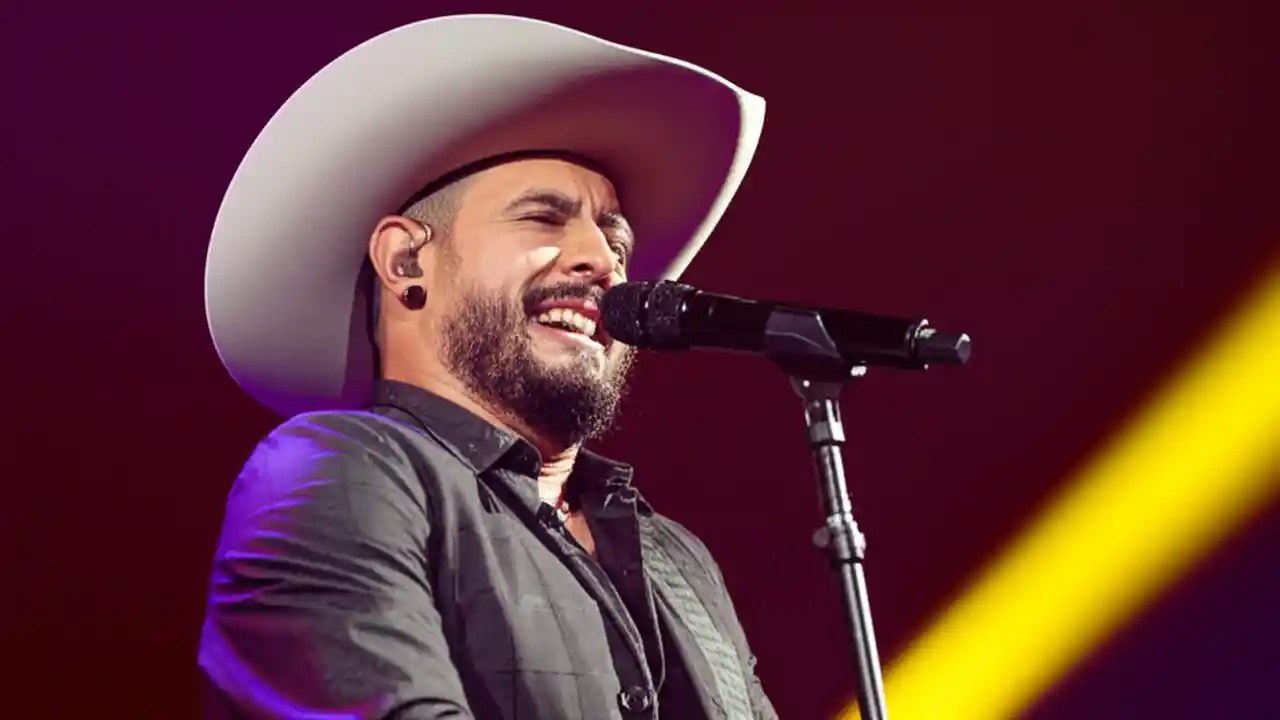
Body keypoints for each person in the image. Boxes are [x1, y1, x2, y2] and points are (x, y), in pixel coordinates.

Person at [199, 14, 772, 719]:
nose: (603, 262)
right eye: (542, 218)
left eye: (616, 242)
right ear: (407, 261)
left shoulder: (676, 558)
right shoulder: (334, 475)